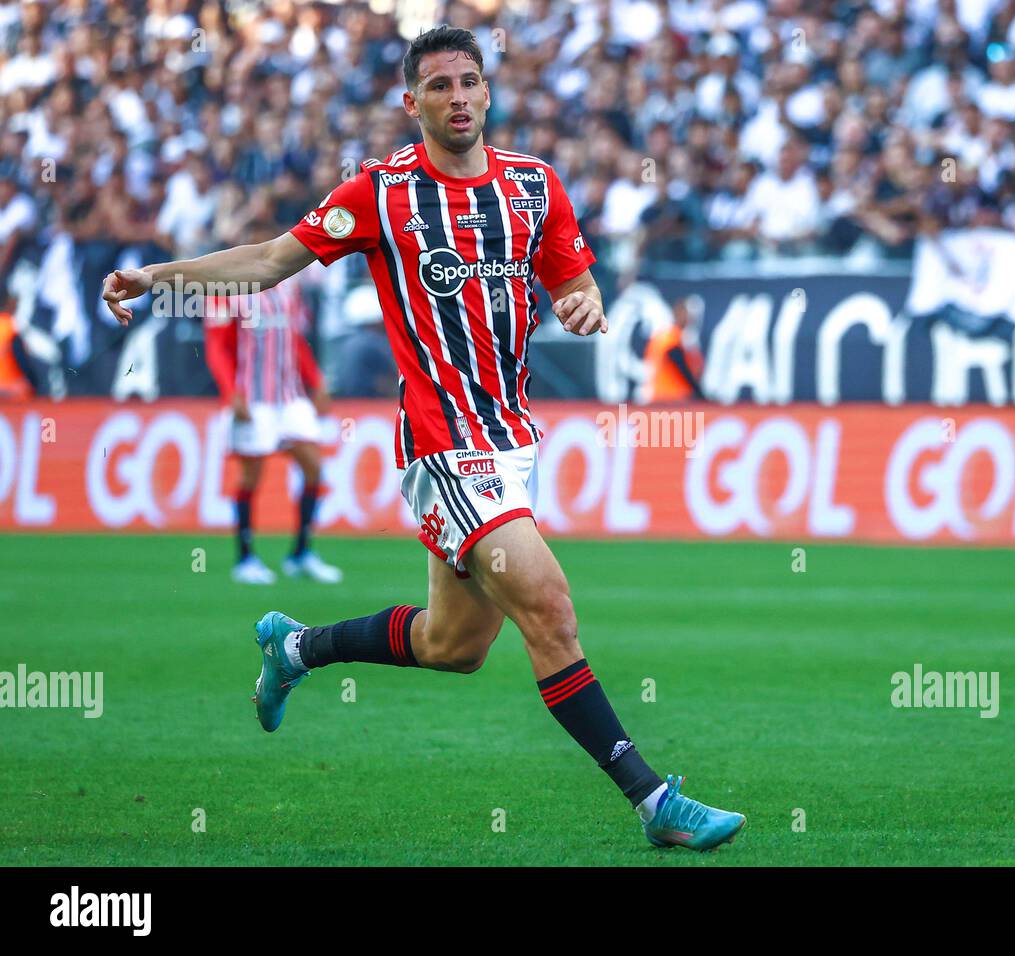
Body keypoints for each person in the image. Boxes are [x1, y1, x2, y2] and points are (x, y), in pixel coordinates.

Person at [102, 25, 744, 852]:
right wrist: (158, 278)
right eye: (438, 86)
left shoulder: (534, 185)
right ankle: (653, 799)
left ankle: (295, 646)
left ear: (488, 90)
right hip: (442, 443)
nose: (458, 98)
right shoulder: (380, 191)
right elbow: (267, 262)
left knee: (457, 646)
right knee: (549, 608)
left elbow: (575, 282)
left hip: (513, 438)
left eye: (469, 81)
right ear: (413, 103)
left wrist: (586, 305)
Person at [203, 215, 342, 585]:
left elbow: (294, 340)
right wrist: (230, 392)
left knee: (314, 467)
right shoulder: (229, 287)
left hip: (288, 395)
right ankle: (245, 558)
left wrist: (315, 382)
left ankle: (301, 552)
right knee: (251, 475)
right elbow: (217, 346)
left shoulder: (288, 285)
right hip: (253, 396)